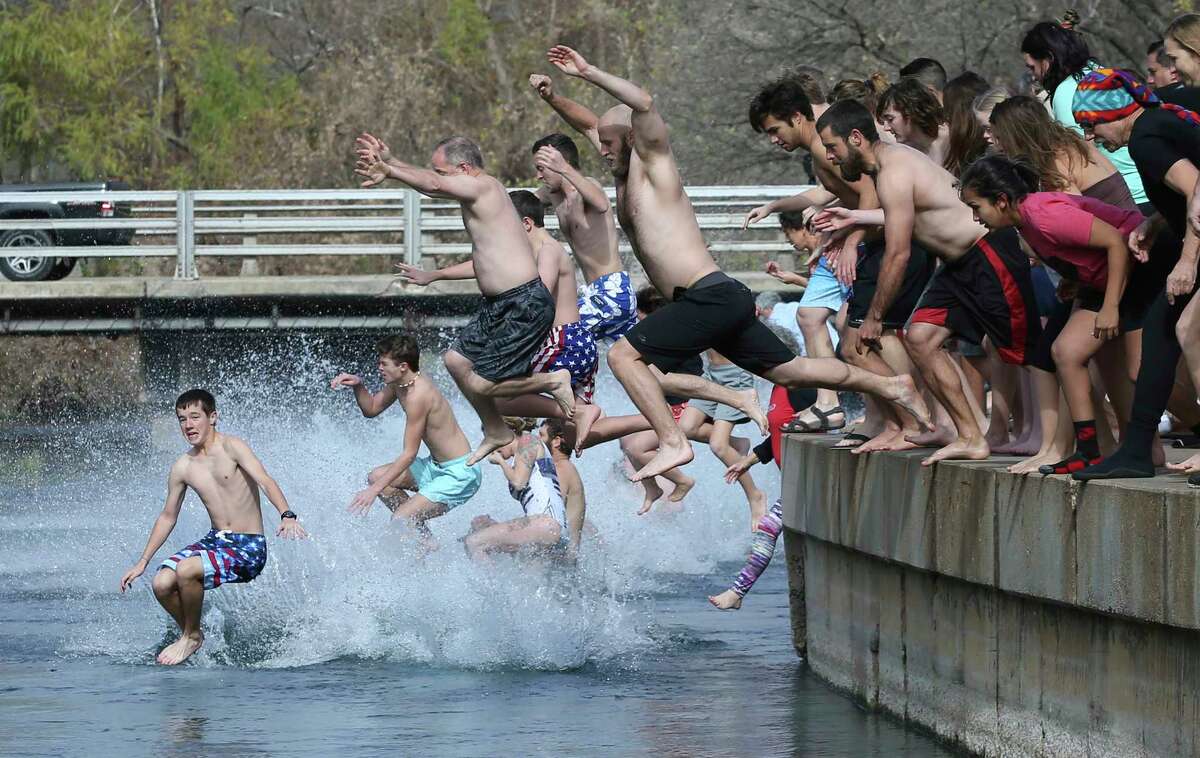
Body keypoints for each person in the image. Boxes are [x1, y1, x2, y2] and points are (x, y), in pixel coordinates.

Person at [535, 44, 929, 481]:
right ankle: (892, 385)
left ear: (631, 139)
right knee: (792, 371)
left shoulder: (655, 167)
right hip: (712, 298)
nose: (601, 149)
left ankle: (673, 442)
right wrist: (554, 99)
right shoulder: (623, 169)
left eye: (608, 143)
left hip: (708, 294)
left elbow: (641, 104)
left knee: (625, 358)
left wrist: (588, 69)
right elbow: (596, 123)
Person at [815, 99, 1042, 465]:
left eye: (832, 147)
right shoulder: (886, 167)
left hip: (987, 252)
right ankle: (970, 435)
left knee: (1030, 354)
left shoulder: (893, 170)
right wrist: (854, 218)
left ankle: (1089, 431)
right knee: (920, 338)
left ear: (855, 138)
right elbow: (909, 211)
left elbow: (898, 253)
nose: (831, 157)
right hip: (957, 266)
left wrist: (875, 315)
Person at [354, 134, 563, 466]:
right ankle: (496, 430)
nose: (439, 177)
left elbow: (434, 185)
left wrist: (391, 172)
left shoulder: (485, 188)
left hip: (523, 303)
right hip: (500, 304)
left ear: (465, 168)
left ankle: (553, 381)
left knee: (482, 382)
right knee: (456, 362)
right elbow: (433, 183)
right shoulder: (475, 195)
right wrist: (391, 162)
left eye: (444, 171)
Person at [958, 154, 1166, 474]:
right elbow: (1082, 251)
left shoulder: (1042, 215)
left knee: (1129, 367)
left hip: (1142, 265)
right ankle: (1097, 450)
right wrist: (1073, 279)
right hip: (1107, 278)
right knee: (1073, 354)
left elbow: (1115, 241)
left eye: (976, 207)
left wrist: (1110, 307)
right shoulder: (1024, 224)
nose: (974, 218)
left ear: (1001, 200)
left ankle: (1164, 437)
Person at [1068, 68, 1200, 481]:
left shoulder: (1146, 139)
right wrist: (1155, 224)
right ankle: (1137, 452)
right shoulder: (1158, 123)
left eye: (1090, 124)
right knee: (1161, 335)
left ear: (1115, 113)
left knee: (1187, 333)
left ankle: (1138, 451)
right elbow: (1184, 194)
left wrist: (1188, 261)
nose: (1090, 138)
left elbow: (1199, 187)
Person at [396, 189, 603, 440]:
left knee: (494, 391)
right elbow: (483, 264)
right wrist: (434, 275)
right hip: (576, 346)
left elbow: (538, 300)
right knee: (571, 438)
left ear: (525, 224)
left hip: (564, 343)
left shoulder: (548, 250)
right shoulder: (530, 254)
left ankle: (575, 410)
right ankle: (649, 426)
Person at [118, 389, 307, 665]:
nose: (188, 425)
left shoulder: (233, 447)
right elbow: (168, 516)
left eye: (195, 417)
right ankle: (192, 632)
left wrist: (287, 515)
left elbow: (265, 480)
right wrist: (143, 561)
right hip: (215, 541)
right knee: (161, 583)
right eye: (182, 419)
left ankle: (191, 636)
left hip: (248, 546)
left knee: (187, 569)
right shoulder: (183, 466)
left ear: (213, 417)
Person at [331, 334, 483, 543]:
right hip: (436, 466)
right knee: (378, 477)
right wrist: (358, 385)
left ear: (403, 366)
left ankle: (423, 548)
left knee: (401, 518)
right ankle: (426, 540)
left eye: (383, 364)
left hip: (460, 474)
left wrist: (371, 493)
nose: (379, 368)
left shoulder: (418, 396)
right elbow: (371, 408)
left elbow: (409, 453)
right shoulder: (400, 384)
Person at [522, 122, 637, 343]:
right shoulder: (552, 194)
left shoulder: (586, 188)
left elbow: (602, 204)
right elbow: (517, 205)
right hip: (593, 293)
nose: (538, 176)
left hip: (612, 293)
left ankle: (553, 379)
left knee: (547, 336)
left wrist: (565, 169)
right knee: (638, 369)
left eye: (541, 168)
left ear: (559, 163)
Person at [1020, 20, 1150, 210]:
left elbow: (1082, 156)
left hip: (1128, 199)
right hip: (1147, 186)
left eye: (1032, 67)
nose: (1034, 76)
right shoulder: (1101, 73)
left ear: (1048, 59)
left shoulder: (1066, 93)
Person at [464, 418, 571, 558]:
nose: (490, 447)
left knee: (473, 542)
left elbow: (518, 482)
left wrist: (501, 462)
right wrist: (492, 525)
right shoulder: (523, 455)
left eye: (491, 440)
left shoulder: (528, 441)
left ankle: (488, 580)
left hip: (546, 524)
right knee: (481, 531)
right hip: (551, 531)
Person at [876, 76, 948, 164]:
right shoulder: (904, 154)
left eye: (890, 119)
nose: (886, 128)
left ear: (911, 112)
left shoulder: (950, 140)